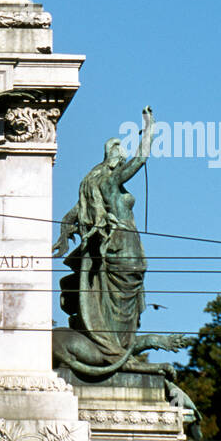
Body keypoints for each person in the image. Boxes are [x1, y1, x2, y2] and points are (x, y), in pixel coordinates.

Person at [53, 108, 154, 372]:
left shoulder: (97, 186)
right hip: (124, 248)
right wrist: (150, 129)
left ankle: (115, 350)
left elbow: (73, 215)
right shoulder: (110, 183)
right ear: (114, 158)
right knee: (123, 308)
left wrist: (64, 234)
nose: (123, 157)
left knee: (119, 306)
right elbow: (141, 159)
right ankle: (116, 352)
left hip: (119, 250)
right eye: (120, 153)